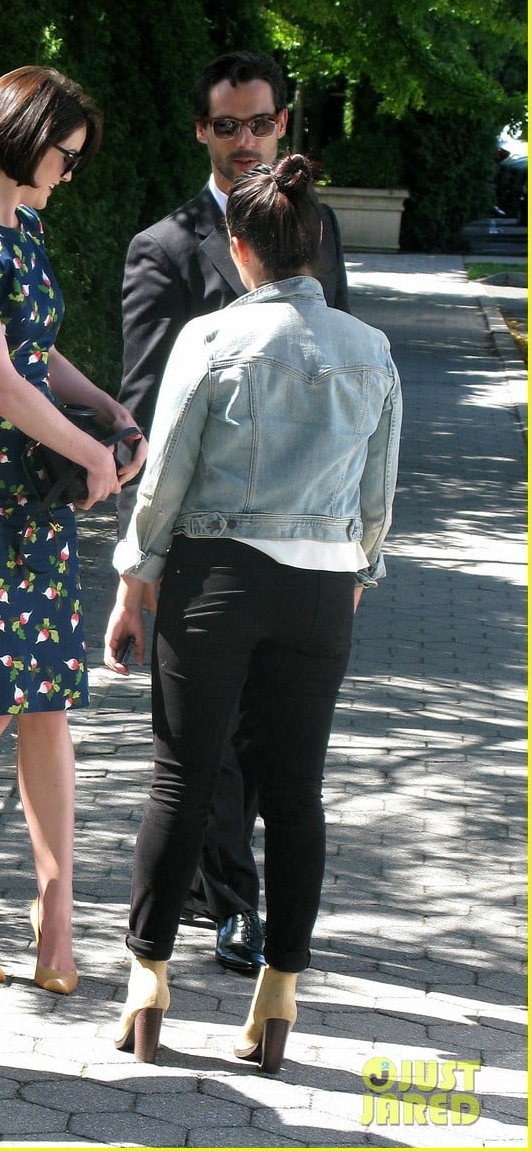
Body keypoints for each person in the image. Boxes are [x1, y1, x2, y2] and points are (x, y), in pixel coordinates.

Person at [105, 154, 402, 1068]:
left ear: (239, 249)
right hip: (321, 591)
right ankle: (277, 998)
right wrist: (357, 570)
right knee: (296, 792)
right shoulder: (370, 349)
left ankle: (148, 984)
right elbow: (378, 494)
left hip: (216, 579)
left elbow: (166, 482)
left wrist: (133, 581)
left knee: (180, 779)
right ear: (313, 243)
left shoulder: (209, 339)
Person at [0, 66, 146, 995]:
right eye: (66, 154)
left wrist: (107, 409)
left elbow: (37, 351)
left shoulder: (24, 226)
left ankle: (56, 922)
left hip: (31, 495)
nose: (70, 172)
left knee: (46, 702)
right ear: (21, 135)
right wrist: (92, 460)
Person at [117, 50, 351, 976]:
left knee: (271, 741)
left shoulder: (315, 224)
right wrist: (142, 556)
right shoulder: (165, 248)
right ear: (201, 132)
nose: (244, 140)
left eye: (258, 123)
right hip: (201, 537)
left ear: (282, 126)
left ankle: (233, 906)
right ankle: (233, 904)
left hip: (308, 545)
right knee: (201, 749)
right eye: (226, 126)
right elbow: (141, 402)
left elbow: (344, 364)